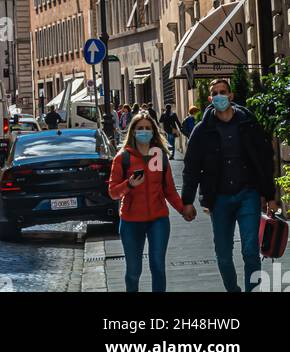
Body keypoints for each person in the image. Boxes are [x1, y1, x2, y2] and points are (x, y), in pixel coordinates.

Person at [182, 77, 278, 293]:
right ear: (209, 99)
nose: (219, 96)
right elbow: (191, 167)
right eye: (215, 93)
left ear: (231, 96)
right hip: (220, 199)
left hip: (248, 195)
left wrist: (269, 195)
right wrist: (187, 201)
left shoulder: (248, 123)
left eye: (223, 92)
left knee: (250, 251)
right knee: (224, 256)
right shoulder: (202, 130)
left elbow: (264, 159)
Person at [108, 111, 193, 293]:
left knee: (158, 267)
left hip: (158, 220)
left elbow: (169, 190)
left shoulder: (159, 156)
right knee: (133, 271)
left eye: (148, 128)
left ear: (154, 132)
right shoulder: (122, 158)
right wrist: (129, 184)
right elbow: (113, 192)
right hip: (131, 221)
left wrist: (182, 209)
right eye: (140, 129)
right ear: (133, 132)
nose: (144, 132)